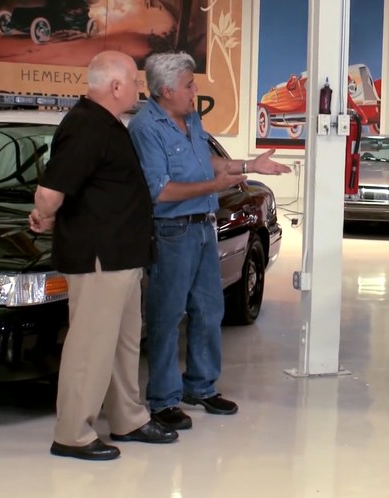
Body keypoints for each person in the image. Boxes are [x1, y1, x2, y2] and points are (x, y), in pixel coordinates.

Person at [128, 52, 291, 431]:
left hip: (204, 226)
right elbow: (160, 191)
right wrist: (215, 186)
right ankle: (164, 399)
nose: (195, 91)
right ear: (166, 89)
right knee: (166, 317)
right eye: (189, 85)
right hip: (171, 230)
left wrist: (248, 166)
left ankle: (200, 386)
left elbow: (209, 163)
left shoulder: (191, 119)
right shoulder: (145, 128)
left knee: (209, 309)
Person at [30, 50, 178, 461]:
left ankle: (127, 418)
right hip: (99, 259)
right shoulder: (85, 127)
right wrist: (43, 214)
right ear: (115, 86)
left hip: (121, 256)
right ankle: (73, 434)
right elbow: (51, 189)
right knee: (90, 347)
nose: (138, 88)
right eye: (134, 81)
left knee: (123, 344)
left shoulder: (108, 125)